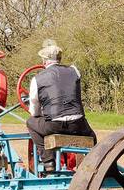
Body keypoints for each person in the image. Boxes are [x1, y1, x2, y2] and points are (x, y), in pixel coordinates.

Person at [26, 43, 96, 172]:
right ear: (59, 58)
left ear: (44, 61)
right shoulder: (74, 71)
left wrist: (42, 113)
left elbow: (34, 111)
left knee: (30, 122)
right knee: (92, 135)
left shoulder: (37, 79)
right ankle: (97, 161)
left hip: (54, 125)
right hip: (77, 124)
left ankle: (48, 161)